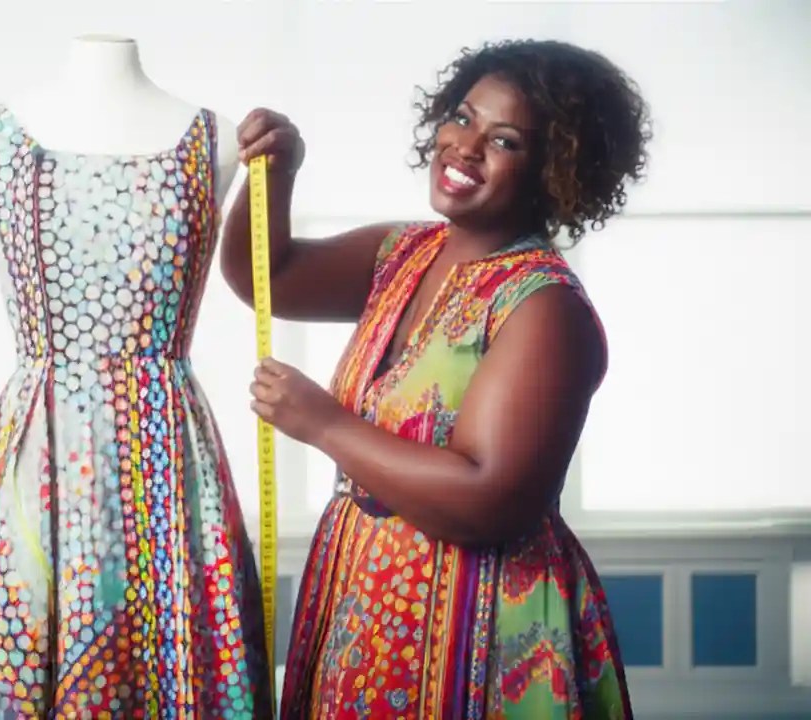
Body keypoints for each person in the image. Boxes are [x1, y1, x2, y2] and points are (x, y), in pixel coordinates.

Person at [221, 39, 651, 719]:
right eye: (462, 117)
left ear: (555, 171)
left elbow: (488, 500)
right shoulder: (403, 252)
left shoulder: (543, 307)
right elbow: (268, 277)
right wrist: (276, 175)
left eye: (505, 141)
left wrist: (324, 426)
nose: (465, 147)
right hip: (365, 596)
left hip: (479, 623)